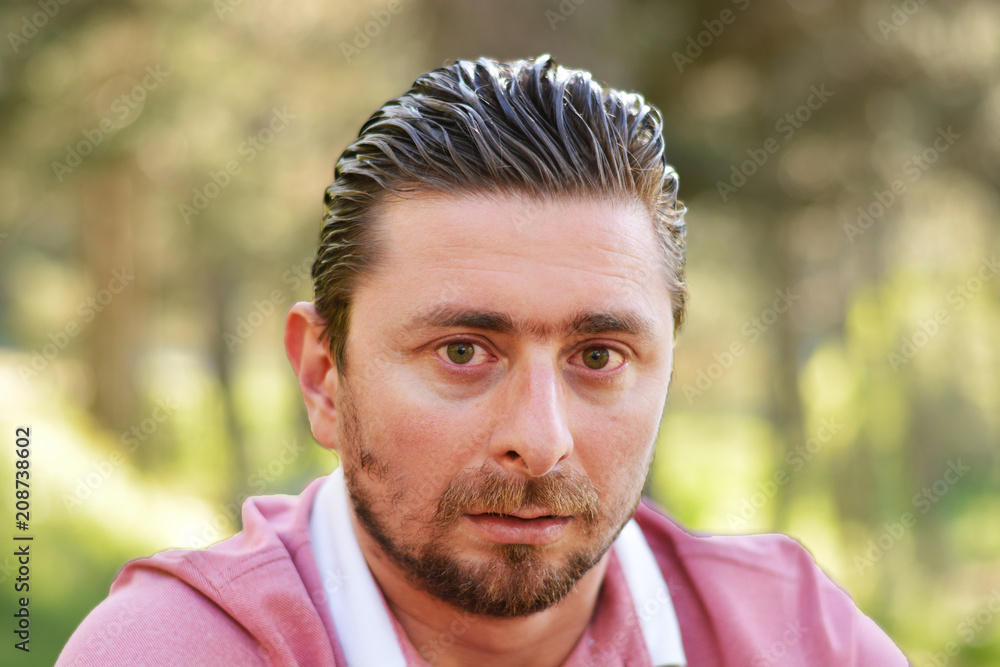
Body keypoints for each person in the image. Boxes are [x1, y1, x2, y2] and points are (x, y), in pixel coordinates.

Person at [58, 55, 910, 667]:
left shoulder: (791, 635)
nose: (540, 441)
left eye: (599, 355)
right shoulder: (176, 649)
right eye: (463, 351)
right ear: (324, 374)